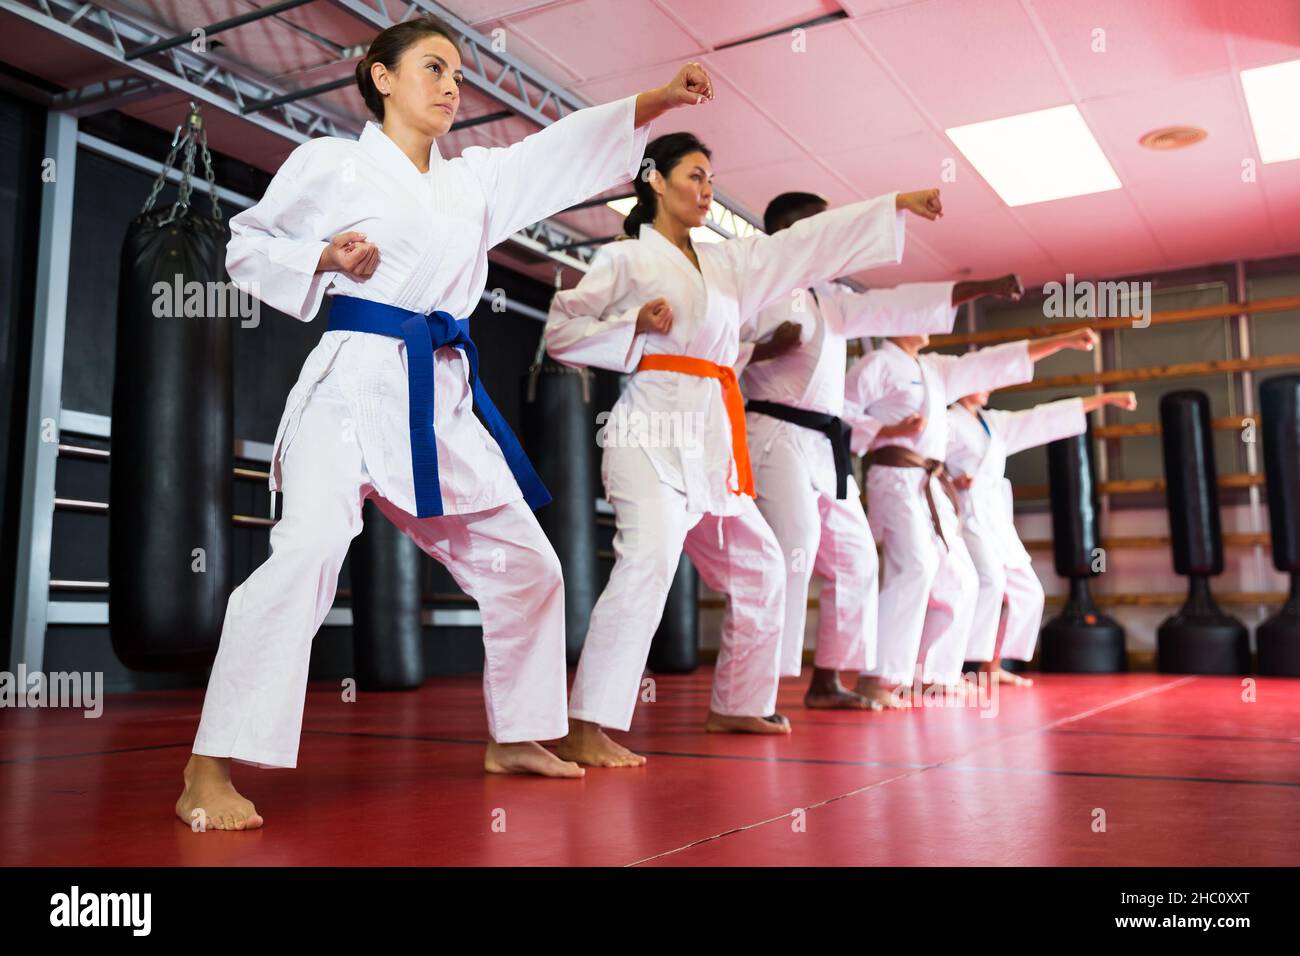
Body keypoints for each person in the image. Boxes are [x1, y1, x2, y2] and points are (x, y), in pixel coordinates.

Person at [177, 14, 715, 830]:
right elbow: (247, 248)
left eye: (459, 74)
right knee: (310, 550)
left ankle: (521, 735)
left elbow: (556, 152)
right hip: (351, 387)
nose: (452, 86)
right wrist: (323, 259)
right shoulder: (332, 164)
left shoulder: (474, 182)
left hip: (439, 401)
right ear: (381, 76)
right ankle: (207, 768)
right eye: (434, 67)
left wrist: (653, 102)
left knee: (531, 566)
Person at [545, 132, 944, 767]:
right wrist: (630, 327)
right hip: (649, 436)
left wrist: (889, 205)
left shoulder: (729, 264)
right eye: (695, 176)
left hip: (709, 443)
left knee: (763, 566)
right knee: (646, 565)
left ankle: (737, 702)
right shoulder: (624, 260)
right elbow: (561, 332)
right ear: (655, 180)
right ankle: (586, 725)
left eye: (711, 178)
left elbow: (801, 244)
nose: (707, 190)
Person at [740, 191, 1026, 709]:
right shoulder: (758, 289)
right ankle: (754, 692)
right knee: (793, 549)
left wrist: (978, 289)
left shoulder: (832, 301)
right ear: (788, 234)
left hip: (824, 447)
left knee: (856, 561)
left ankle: (827, 681)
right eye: (817, 226)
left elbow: (898, 305)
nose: (830, 235)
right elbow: (710, 351)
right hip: (772, 433)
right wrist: (760, 348)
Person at [843, 325, 1101, 706]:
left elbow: (992, 365)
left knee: (961, 577)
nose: (931, 325)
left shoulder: (933, 369)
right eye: (922, 316)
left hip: (929, 486)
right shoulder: (877, 364)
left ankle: (933, 674)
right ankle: (876, 677)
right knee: (915, 568)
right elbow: (842, 414)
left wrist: (1059, 343)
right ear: (898, 321)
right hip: (897, 476)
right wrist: (888, 429)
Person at [947, 388, 1138, 684]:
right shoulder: (947, 421)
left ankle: (991, 666)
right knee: (990, 582)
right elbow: (925, 460)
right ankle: (955, 667)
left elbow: (1043, 418)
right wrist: (950, 480)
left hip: (996, 518)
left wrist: (1104, 400)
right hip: (964, 514)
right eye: (982, 382)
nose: (988, 389)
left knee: (1029, 593)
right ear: (966, 383)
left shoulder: (993, 423)